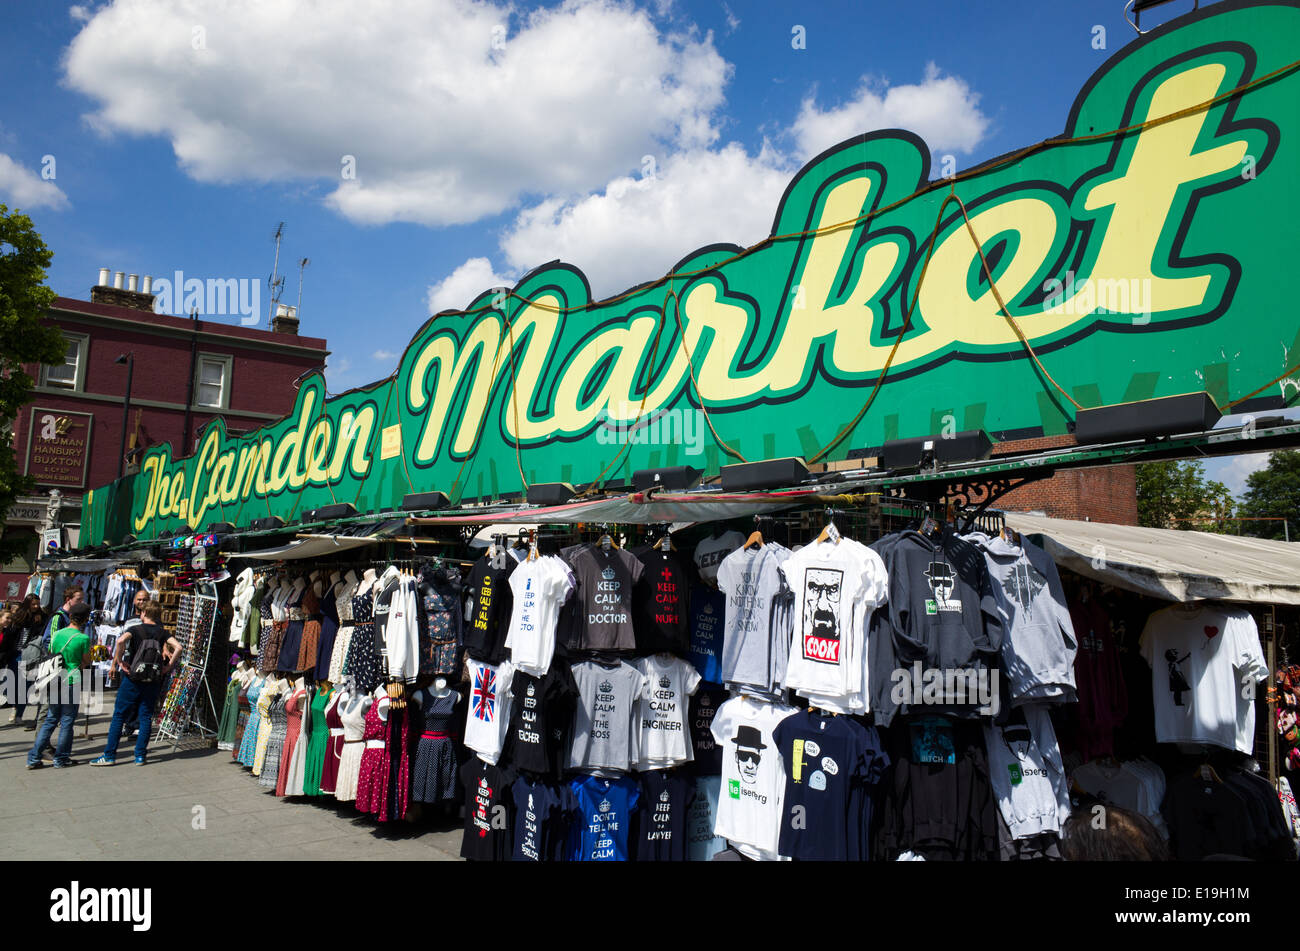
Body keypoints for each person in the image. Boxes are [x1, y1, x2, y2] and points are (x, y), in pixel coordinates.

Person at [90, 601, 181, 766]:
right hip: (153, 678)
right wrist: (168, 667)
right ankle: (140, 756)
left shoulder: (135, 629)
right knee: (145, 716)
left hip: (133, 678)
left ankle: (109, 755)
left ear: (144, 613)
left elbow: (120, 642)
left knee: (119, 715)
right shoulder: (162, 632)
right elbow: (179, 647)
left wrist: (119, 661)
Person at [26, 601, 92, 769]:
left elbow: (51, 652)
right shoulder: (83, 638)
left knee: (51, 719)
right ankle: (61, 758)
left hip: (54, 679)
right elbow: (85, 661)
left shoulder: (57, 634)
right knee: (68, 720)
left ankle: (33, 757)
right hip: (72, 679)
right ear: (85, 620)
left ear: (70, 616)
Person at [8, 596, 47, 727]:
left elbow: (40, 636)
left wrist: (36, 624)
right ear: (27, 604)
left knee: (25, 686)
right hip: (16, 654)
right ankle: (15, 707)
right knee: (13, 684)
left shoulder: (41, 617)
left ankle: (18, 714)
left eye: (38, 604)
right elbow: (11, 634)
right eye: (33, 604)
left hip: (30, 656)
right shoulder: (19, 616)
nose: (36, 607)